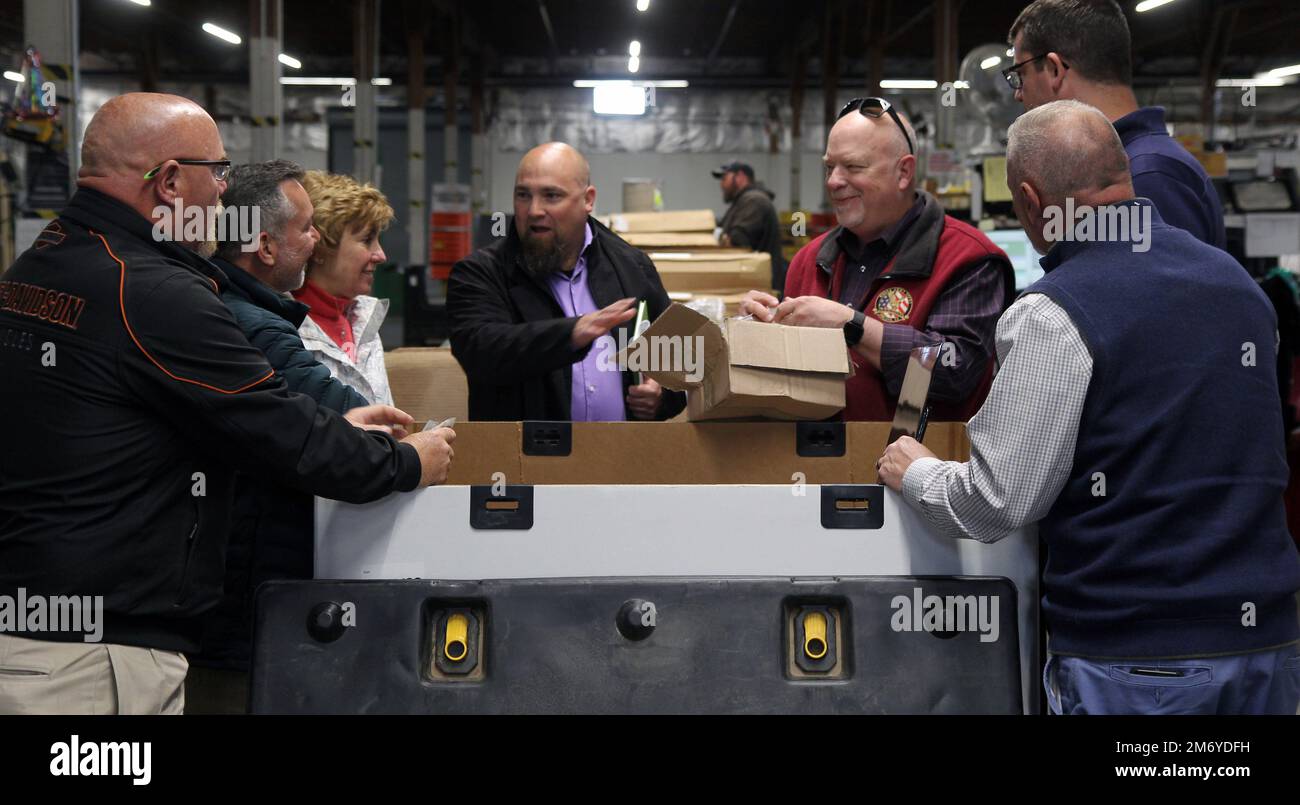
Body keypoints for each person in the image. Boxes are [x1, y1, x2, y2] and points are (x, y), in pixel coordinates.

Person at [0, 93, 454, 715]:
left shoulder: (41, 264)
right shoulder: (155, 293)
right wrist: (408, 462)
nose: (224, 191)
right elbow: (284, 433)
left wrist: (334, 422)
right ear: (168, 183)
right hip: (94, 659)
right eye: (216, 171)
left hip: (37, 626)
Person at [877, 100, 1300, 715]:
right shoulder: (1240, 286)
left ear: (1029, 198)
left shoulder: (1054, 313)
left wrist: (913, 469)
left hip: (1136, 664)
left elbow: (997, 502)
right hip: (1269, 649)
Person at [188, 160, 370, 712]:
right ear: (265, 248)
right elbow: (345, 417)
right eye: (308, 228)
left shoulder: (237, 307)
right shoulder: (258, 327)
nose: (317, 241)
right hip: (245, 592)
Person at [739, 98, 1012, 421]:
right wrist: (758, 333)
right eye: (829, 167)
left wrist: (851, 326)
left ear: (904, 172)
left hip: (915, 468)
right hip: (812, 466)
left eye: (853, 167)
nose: (833, 182)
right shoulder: (808, 261)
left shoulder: (967, 259)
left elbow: (955, 374)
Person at [448, 142, 685, 422]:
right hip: (525, 461)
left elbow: (675, 363)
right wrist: (571, 333)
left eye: (551, 196)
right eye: (523, 195)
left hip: (622, 458)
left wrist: (661, 396)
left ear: (588, 200)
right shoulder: (481, 272)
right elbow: (481, 353)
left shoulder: (632, 267)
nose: (534, 210)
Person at [1006, 0, 1227, 250]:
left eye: (1019, 75)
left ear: (1054, 69)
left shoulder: (1146, 177)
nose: (1018, 94)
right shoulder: (1137, 166)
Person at [292, 171, 396, 406]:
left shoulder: (363, 319)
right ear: (320, 247)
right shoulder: (286, 328)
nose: (381, 255)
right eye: (366, 240)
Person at [712, 160, 788, 292]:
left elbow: (738, 240)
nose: (721, 184)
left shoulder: (754, 200)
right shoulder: (743, 201)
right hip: (752, 284)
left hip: (760, 286)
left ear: (740, 176)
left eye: (724, 178)